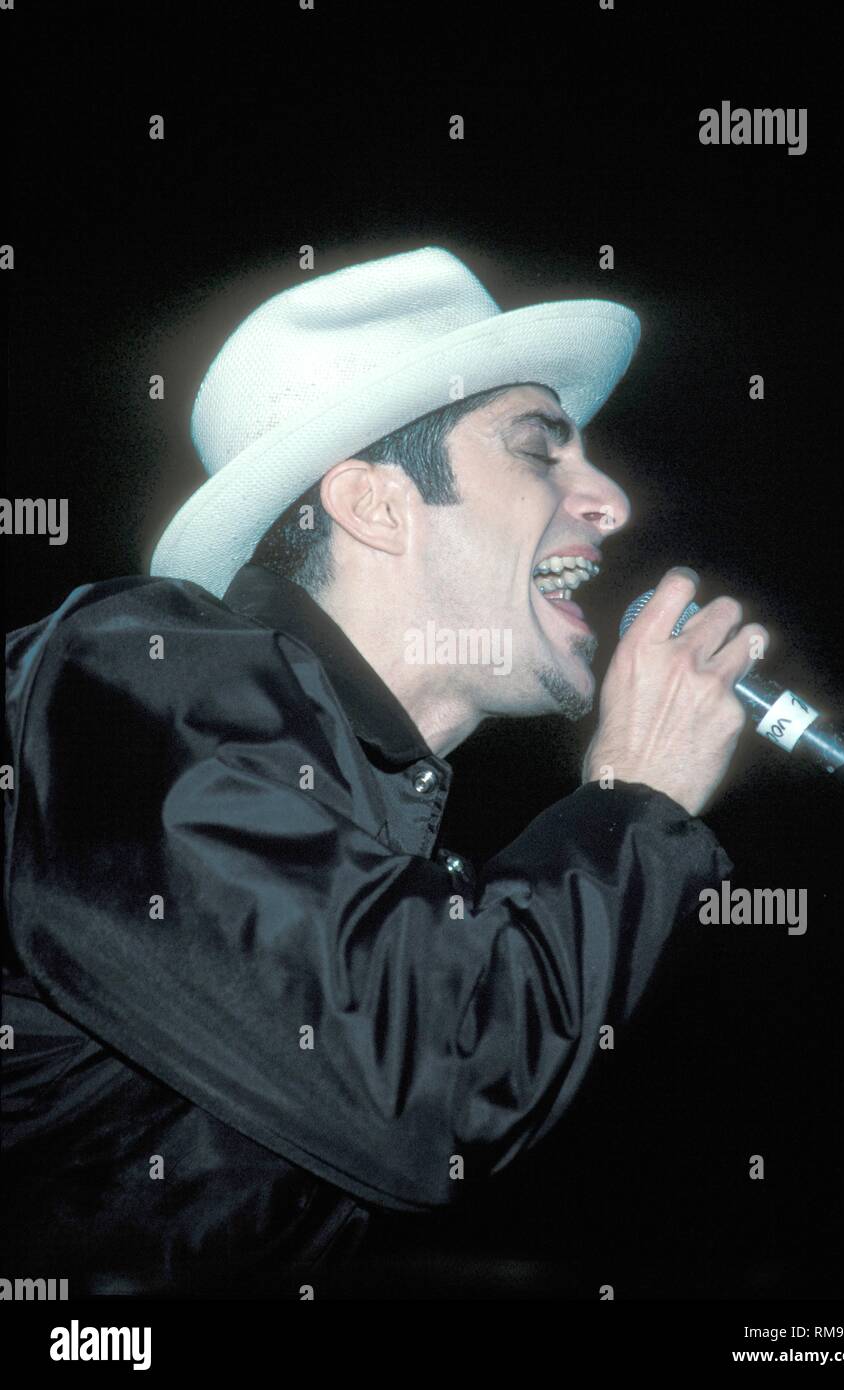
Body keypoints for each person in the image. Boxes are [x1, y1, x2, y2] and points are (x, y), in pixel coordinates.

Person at [2, 246, 767, 1297]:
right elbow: (429, 1082)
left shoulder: (365, 819)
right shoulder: (136, 669)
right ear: (375, 504)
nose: (608, 501)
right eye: (540, 448)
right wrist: (632, 798)